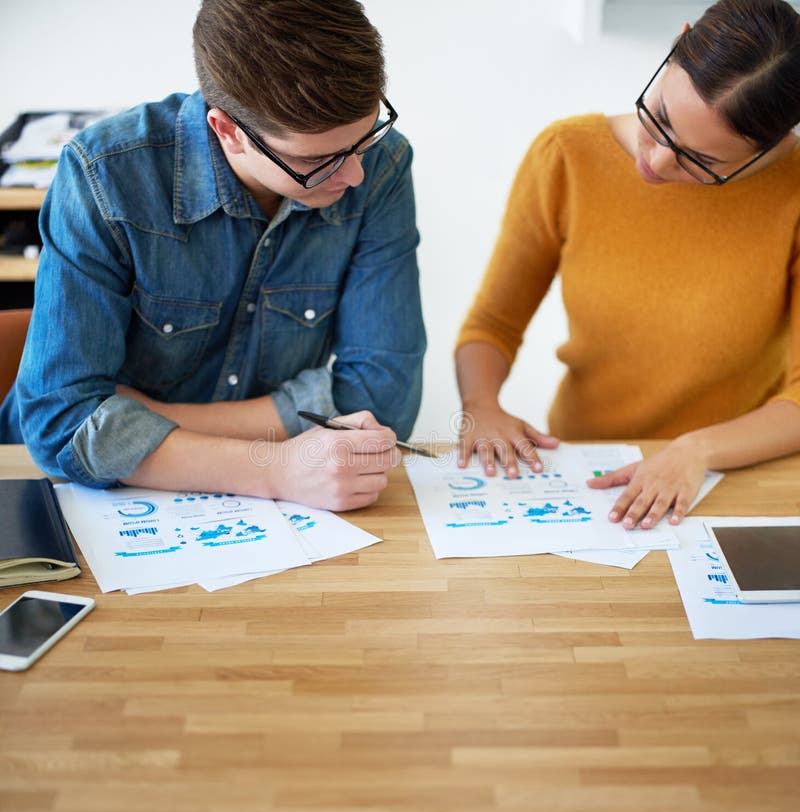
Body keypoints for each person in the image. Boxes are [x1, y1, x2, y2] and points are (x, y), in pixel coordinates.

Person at [0, 0, 426, 512]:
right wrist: (275, 468)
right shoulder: (104, 176)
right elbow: (59, 426)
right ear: (227, 130)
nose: (354, 174)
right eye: (318, 161)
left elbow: (384, 400)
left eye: (364, 139)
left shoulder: (382, 165)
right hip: (81, 503)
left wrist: (145, 416)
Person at [455, 0, 800, 530]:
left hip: (739, 478)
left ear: (771, 144)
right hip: (588, 470)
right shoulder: (567, 155)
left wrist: (696, 450)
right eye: (658, 117)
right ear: (675, 45)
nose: (656, 163)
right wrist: (481, 402)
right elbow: (492, 325)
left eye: (702, 162)